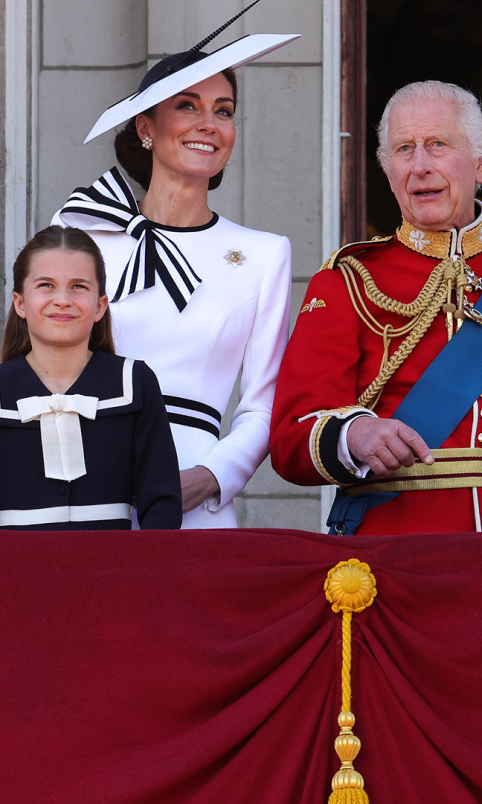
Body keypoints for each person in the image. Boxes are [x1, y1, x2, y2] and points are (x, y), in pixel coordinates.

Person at [270, 80, 482, 535]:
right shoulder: (349, 279)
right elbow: (291, 437)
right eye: (403, 150)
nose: (420, 166)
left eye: (437, 145)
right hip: (389, 561)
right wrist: (354, 435)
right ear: (388, 172)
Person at [53, 27, 299, 528]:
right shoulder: (81, 232)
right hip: (78, 478)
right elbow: (38, 362)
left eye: (224, 110)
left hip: (195, 499)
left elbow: (263, 403)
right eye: (188, 106)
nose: (209, 124)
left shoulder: (263, 254)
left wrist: (210, 475)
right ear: (146, 126)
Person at [0, 226, 182, 530]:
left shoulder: (135, 382)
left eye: (78, 287)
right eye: (46, 285)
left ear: (99, 306)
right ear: (20, 303)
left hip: (115, 570)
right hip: (14, 571)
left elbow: (162, 504)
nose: (63, 300)